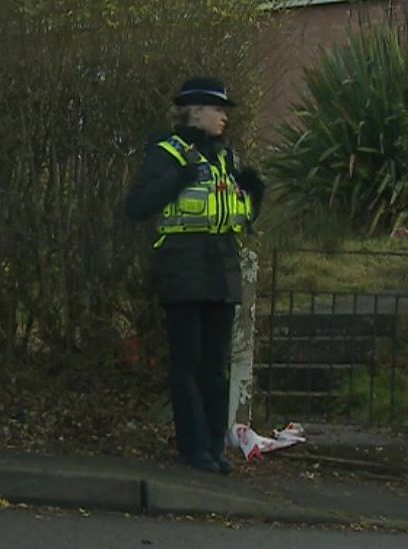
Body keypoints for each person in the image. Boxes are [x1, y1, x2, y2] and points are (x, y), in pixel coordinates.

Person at [124, 76, 264, 474]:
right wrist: (178, 178)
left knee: (216, 364)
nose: (224, 117)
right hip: (183, 266)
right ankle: (193, 448)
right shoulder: (166, 151)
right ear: (195, 111)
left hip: (221, 266)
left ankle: (214, 448)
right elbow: (137, 206)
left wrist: (256, 196)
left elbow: (237, 215)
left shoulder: (225, 156)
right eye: (218, 110)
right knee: (187, 361)